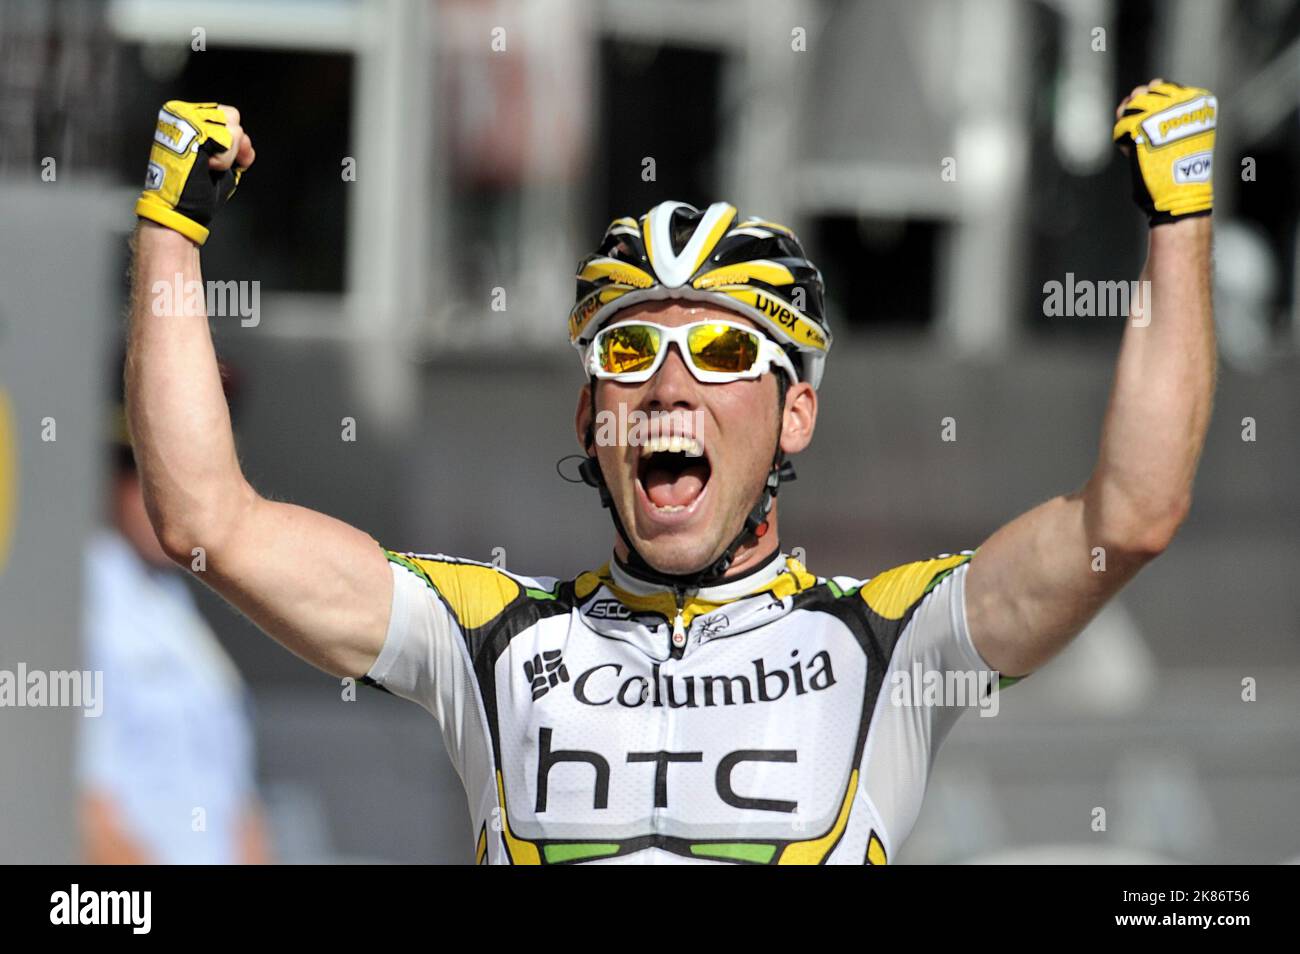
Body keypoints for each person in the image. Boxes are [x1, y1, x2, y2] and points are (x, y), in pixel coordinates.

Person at [125, 81, 1216, 864]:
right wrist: (171, 235)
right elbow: (204, 518)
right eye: (631, 355)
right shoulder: (489, 637)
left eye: (726, 353)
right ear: (591, 413)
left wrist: (1179, 223)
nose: (668, 389)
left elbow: (1130, 514)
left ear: (796, 416)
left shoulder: (889, 643)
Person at [78, 378, 272, 864]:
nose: (167, 498)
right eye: (145, 473)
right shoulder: (84, 604)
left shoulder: (174, 606)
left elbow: (238, 803)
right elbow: (85, 814)